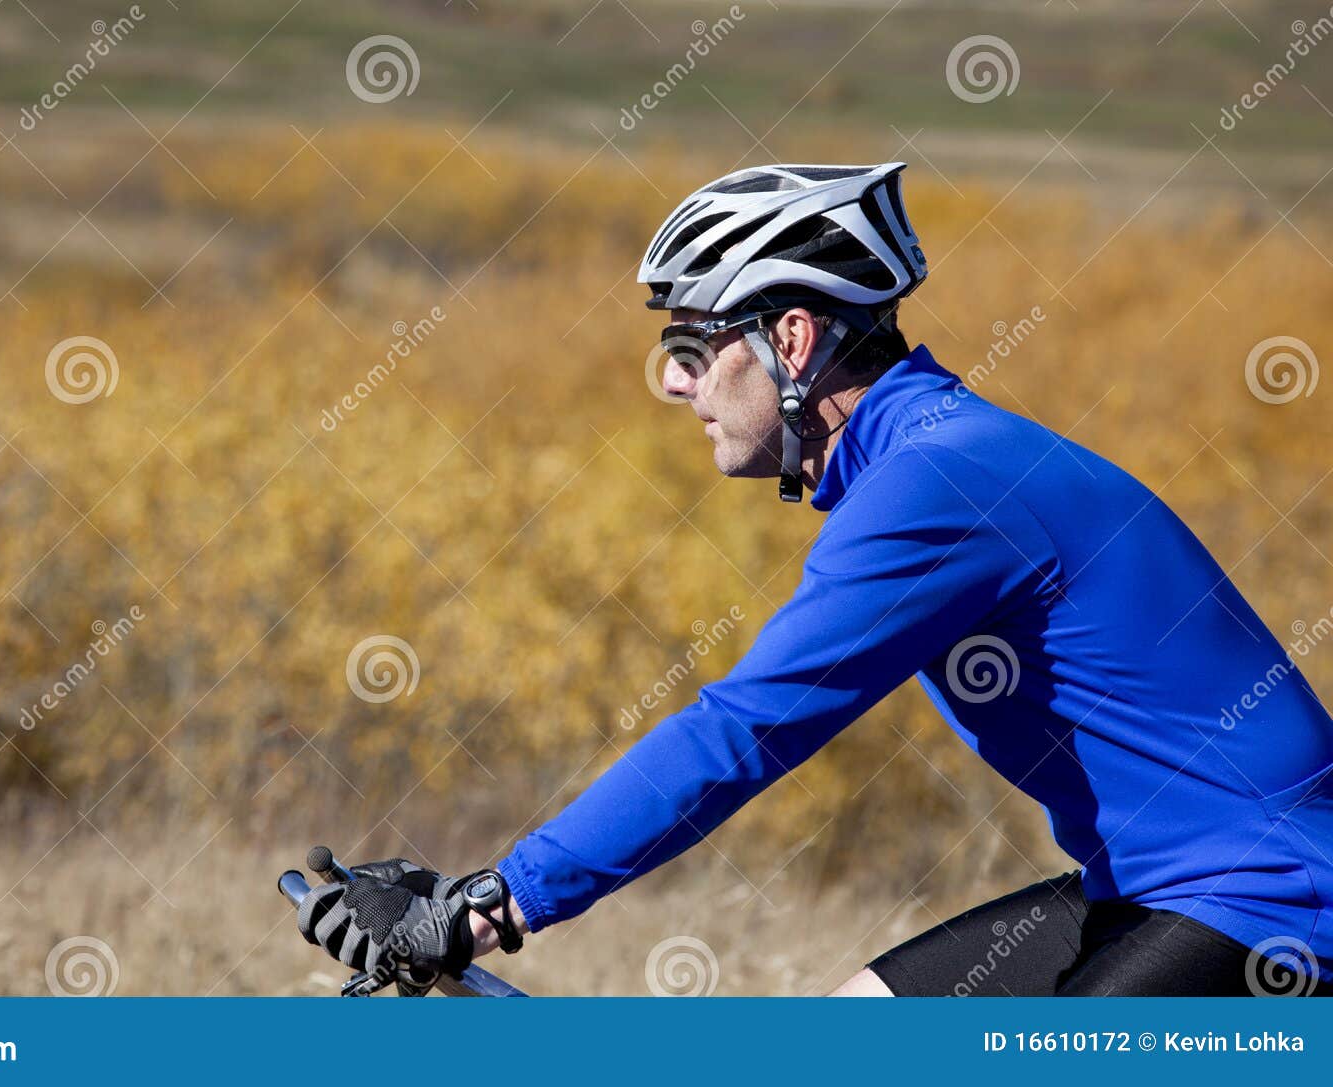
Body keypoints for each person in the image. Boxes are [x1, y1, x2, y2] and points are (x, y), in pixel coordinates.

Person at [298, 163, 1333, 996]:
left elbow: (748, 727)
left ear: (790, 339)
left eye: (693, 345)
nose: (673, 381)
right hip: (1158, 886)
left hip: (1269, 901)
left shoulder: (939, 482)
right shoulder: (934, 453)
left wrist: (491, 903)